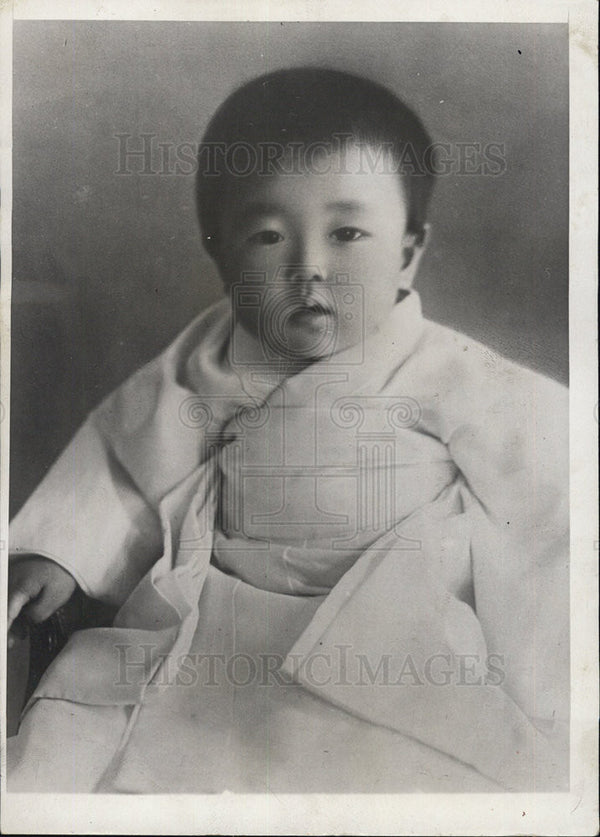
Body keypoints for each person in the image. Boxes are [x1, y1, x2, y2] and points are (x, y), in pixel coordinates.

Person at [6, 68, 569, 793]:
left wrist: (555, 671)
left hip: (390, 634)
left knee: (396, 768)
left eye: (348, 232)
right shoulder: (214, 352)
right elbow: (127, 451)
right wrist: (64, 552)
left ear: (407, 249)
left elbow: (549, 498)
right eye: (269, 236)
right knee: (107, 742)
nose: (310, 269)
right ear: (219, 249)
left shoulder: (456, 374)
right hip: (218, 619)